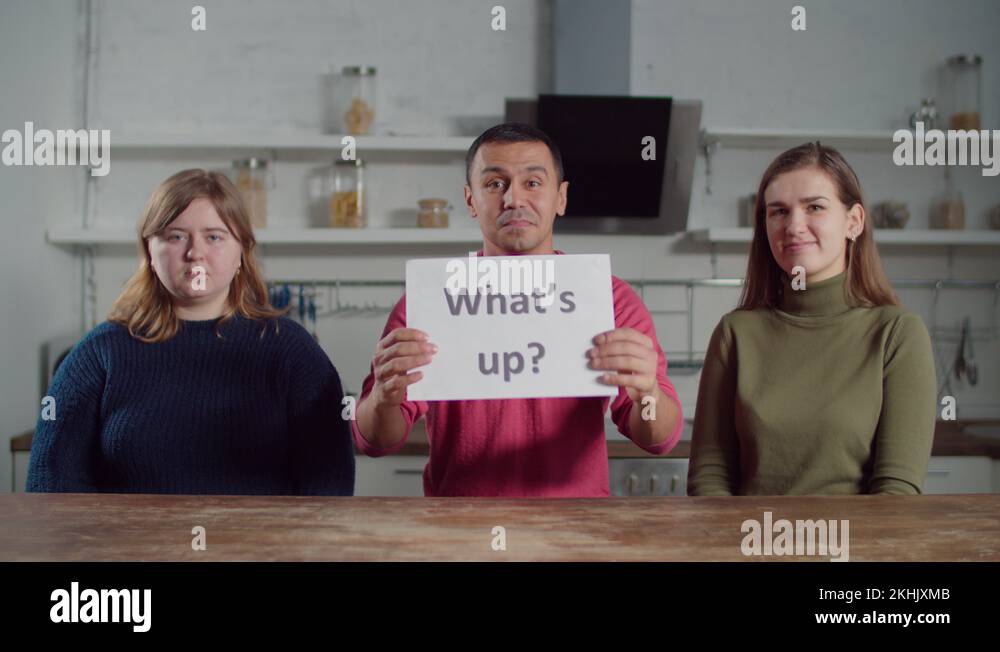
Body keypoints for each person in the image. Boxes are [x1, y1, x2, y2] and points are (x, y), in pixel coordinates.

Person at [352, 123, 684, 497]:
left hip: (576, 531)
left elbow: (660, 439)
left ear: (561, 198)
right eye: (495, 184)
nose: (513, 199)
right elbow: (374, 442)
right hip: (458, 530)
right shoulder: (430, 299)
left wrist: (648, 395)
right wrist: (383, 398)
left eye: (533, 183)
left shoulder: (610, 299)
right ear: (470, 200)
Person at [27, 169, 354, 495]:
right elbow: (50, 484)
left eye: (214, 236)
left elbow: (329, 484)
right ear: (150, 252)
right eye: (176, 236)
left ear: (242, 250)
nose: (195, 253)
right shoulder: (99, 354)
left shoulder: (292, 351)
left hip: (261, 546)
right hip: (131, 546)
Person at [687, 143, 936, 496]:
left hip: (853, 549)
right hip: (747, 546)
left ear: (854, 221)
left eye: (814, 207)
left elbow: (896, 492)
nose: (794, 226)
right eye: (778, 212)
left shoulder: (896, 334)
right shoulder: (736, 333)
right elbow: (709, 476)